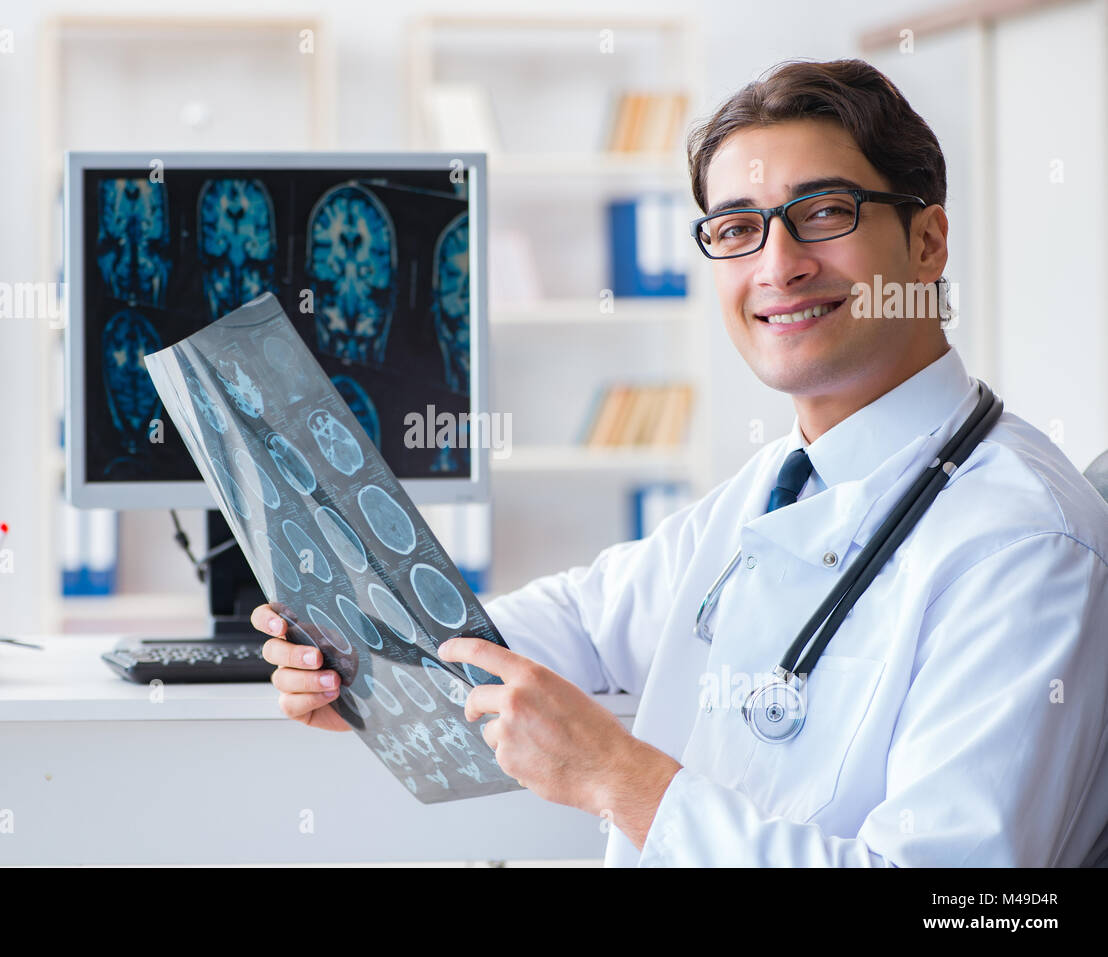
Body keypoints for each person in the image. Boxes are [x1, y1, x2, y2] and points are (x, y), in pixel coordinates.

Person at [252, 58, 1108, 866]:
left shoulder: (1024, 542)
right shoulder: (775, 486)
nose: (779, 265)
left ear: (927, 243)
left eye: (824, 213)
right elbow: (588, 621)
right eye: (738, 228)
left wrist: (617, 778)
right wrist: (366, 666)